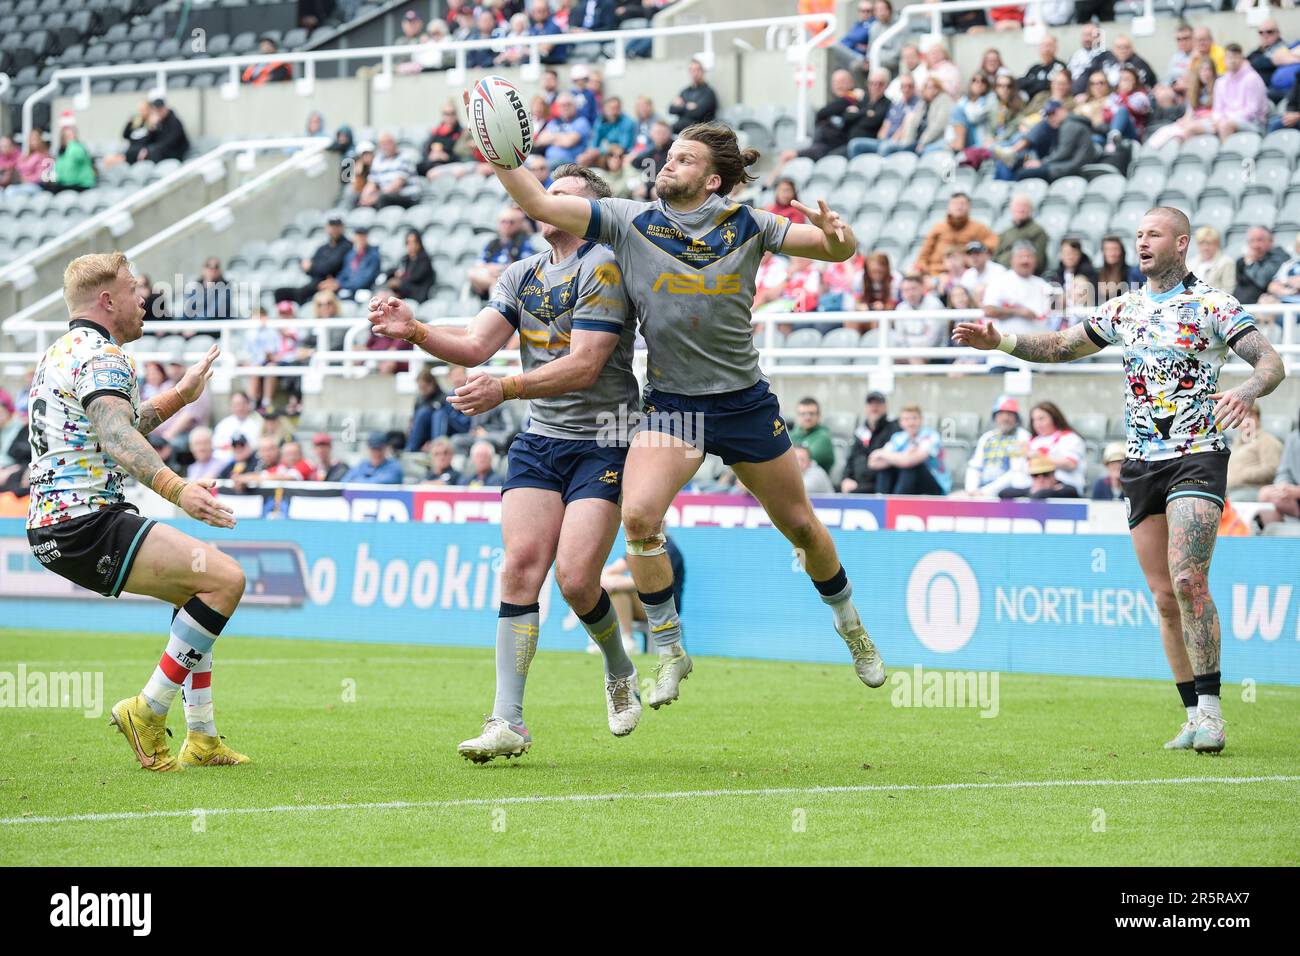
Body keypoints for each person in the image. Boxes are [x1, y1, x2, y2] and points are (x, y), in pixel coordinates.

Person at [479, 114, 887, 701]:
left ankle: (851, 626)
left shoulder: (750, 224)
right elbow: (540, 202)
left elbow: (835, 251)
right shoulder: (626, 220)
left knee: (799, 525)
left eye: (685, 160)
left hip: (744, 401)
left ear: (713, 181)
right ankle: (670, 650)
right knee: (640, 518)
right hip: (674, 405)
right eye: (669, 155)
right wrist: (501, 156)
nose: (668, 164)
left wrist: (837, 233)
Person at [954, 206, 1286, 754]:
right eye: (1138, 235)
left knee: (1187, 580)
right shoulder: (1125, 307)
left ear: (1181, 243)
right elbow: (1061, 346)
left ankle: (1214, 714)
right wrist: (1003, 343)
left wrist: (1245, 392)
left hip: (1197, 454)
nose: (1142, 242)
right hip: (1140, 462)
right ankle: (1191, 715)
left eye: (1153, 234)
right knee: (1162, 596)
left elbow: (1271, 365)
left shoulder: (1215, 306)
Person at [367, 162, 644, 760]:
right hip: (542, 439)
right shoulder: (521, 274)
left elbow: (586, 364)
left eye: (564, 195)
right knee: (519, 568)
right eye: (547, 192)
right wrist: (413, 328)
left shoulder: (604, 265)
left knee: (575, 579)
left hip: (606, 437)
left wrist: (506, 389)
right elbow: (473, 345)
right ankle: (507, 722)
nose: (547, 200)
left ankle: (619, 667)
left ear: (590, 211)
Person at [26, 253, 248, 770]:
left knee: (197, 587)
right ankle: (147, 711)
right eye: (133, 289)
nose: (144, 298)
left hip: (63, 523)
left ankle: (203, 736)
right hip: (85, 522)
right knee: (226, 582)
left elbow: (119, 422)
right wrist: (178, 489)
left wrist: (180, 395)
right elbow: (115, 432)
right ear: (107, 301)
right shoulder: (104, 356)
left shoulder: (64, 351)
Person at [868, 403, 950, 496]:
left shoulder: (931, 436)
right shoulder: (897, 437)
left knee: (910, 467)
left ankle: (897, 504)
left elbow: (909, 462)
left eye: (914, 418)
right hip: (907, 483)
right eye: (907, 419)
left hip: (934, 486)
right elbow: (873, 463)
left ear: (921, 420)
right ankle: (881, 500)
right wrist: (903, 456)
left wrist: (883, 454)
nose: (911, 423)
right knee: (885, 468)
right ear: (901, 422)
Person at [274, 215, 353, 305]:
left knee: (301, 294)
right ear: (327, 228)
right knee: (280, 292)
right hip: (316, 282)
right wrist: (313, 268)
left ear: (342, 228)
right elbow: (309, 268)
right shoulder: (323, 248)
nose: (334, 229)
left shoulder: (346, 246)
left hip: (332, 283)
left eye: (337, 227)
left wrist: (312, 267)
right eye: (332, 226)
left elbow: (329, 268)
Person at [914, 193, 997, 278]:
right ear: (948, 207)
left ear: (969, 207)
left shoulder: (978, 228)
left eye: (962, 204)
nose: (959, 207)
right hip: (935, 274)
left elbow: (992, 244)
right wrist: (922, 271)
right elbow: (923, 255)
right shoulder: (938, 228)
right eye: (955, 204)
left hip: (964, 274)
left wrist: (970, 257)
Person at [965, 395, 1031, 498]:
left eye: (1009, 414)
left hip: (1008, 494)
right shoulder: (987, 437)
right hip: (981, 493)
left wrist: (984, 492)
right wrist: (972, 490)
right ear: (995, 417)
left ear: (1016, 418)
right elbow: (975, 466)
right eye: (1001, 414)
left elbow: (1016, 471)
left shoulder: (1022, 437)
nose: (1005, 418)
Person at [840, 391, 900, 493]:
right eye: (871, 404)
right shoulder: (860, 431)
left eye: (878, 404)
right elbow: (851, 459)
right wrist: (846, 478)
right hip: (857, 482)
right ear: (866, 407)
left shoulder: (894, 429)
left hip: (880, 484)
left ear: (885, 407)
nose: (874, 407)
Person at [469, 207, 533, 299]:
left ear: (518, 224)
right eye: (503, 221)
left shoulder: (523, 242)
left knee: (498, 282)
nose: (507, 225)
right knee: (472, 273)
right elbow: (479, 264)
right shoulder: (493, 243)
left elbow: (525, 266)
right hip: (490, 276)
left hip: (510, 277)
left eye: (511, 222)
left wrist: (501, 270)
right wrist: (491, 269)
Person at [1027, 400, 1088, 496]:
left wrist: (1040, 457)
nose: (1037, 424)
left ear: (1054, 418)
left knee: (1040, 495)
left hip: (1067, 486)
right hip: (1037, 487)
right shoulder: (1033, 441)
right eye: (1034, 420)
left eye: (1041, 419)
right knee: (1006, 493)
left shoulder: (1071, 438)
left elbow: (1071, 464)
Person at [1212, 44, 1268, 141]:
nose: (1233, 61)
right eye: (1229, 57)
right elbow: (1217, 109)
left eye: (1236, 57)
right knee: (1194, 128)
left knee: (1225, 126)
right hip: (1226, 120)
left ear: (1242, 58)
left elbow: (1252, 110)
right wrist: (1218, 119)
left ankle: (1227, 155)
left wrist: (1227, 119)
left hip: (1254, 123)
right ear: (1224, 60)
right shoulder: (1220, 82)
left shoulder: (1252, 78)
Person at [1226, 403, 1282, 497]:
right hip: (1230, 490)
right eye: (1240, 417)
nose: (1245, 421)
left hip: (1252, 490)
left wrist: (1242, 475)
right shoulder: (1237, 443)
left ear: (1258, 418)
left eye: (1250, 415)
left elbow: (1271, 470)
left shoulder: (1267, 440)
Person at [1257, 412, 1300, 528]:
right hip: (1295, 496)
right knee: (1265, 494)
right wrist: (1283, 486)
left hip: (1297, 492)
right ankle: (1277, 542)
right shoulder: (1294, 438)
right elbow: (1284, 472)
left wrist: (1296, 491)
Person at [41, 114, 95, 193]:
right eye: (65, 136)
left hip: (80, 184)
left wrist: (72, 143)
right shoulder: (61, 152)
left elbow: (76, 158)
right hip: (66, 184)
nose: (68, 138)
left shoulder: (78, 148)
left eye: (70, 136)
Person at [995, 195, 1048, 274]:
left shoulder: (1038, 231)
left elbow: (1038, 262)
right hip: (1001, 274)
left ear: (1031, 210)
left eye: (1025, 206)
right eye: (1017, 206)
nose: (1021, 209)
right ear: (1011, 209)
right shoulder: (1005, 232)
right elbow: (994, 257)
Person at [1235, 226, 1288, 306]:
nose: (1255, 245)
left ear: (1271, 241)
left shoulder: (1279, 257)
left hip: (1262, 308)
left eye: (1260, 240)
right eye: (1252, 241)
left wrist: (1251, 263)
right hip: (1239, 307)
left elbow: (1263, 280)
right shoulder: (1241, 261)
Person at [668, 59, 718, 135]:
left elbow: (698, 113)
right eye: (691, 70)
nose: (695, 73)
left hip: (700, 132)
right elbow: (671, 109)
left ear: (703, 72)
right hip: (681, 130)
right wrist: (687, 107)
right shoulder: (685, 91)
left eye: (697, 70)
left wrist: (681, 107)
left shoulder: (708, 92)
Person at [211, 390, 263, 463]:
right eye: (236, 405)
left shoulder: (256, 424)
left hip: (250, 461)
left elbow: (257, 445)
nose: (239, 408)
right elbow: (215, 444)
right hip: (224, 461)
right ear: (230, 406)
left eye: (242, 404)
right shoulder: (223, 424)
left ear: (248, 405)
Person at [385, 230, 435, 302]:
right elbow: (394, 270)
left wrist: (400, 280)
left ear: (419, 243)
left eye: (414, 242)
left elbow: (416, 277)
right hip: (404, 291)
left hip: (418, 294)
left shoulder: (424, 260)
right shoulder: (406, 259)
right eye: (408, 243)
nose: (411, 245)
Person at [135, 98, 189, 164]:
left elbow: (170, 142)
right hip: (164, 150)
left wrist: (149, 150)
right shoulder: (159, 122)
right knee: (139, 150)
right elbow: (149, 140)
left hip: (177, 152)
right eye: (156, 110)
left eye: (160, 110)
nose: (158, 112)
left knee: (153, 151)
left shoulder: (174, 122)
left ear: (165, 108)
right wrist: (152, 127)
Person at [789, 397, 834, 472]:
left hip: (815, 478)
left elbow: (801, 462)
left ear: (819, 415)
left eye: (811, 413)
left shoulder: (823, 437)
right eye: (803, 414)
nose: (807, 417)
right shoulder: (792, 434)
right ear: (797, 416)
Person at [1190, 227, 1235, 294]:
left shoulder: (1226, 262)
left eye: (1209, 243)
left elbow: (1228, 289)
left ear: (1217, 244)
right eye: (1201, 243)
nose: (1205, 247)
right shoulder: (1190, 263)